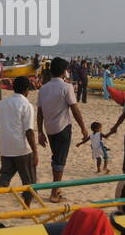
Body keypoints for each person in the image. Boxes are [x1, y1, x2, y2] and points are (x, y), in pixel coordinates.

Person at [36, 57, 89, 202]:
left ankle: (57, 189)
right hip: (63, 128)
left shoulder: (43, 88)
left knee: (56, 158)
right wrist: (83, 128)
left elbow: (40, 112)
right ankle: (54, 193)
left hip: (49, 129)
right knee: (60, 161)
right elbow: (75, 109)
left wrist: (40, 132)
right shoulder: (67, 87)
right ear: (63, 71)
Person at [0, 76, 38, 213]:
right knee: (29, 181)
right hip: (22, 149)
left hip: (6, 147)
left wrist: (0, 144)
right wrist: (35, 152)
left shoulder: (3, 103)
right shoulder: (26, 105)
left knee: (5, 176)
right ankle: (26, 208)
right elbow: (29, 131)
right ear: (26, 90)